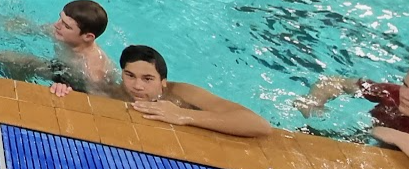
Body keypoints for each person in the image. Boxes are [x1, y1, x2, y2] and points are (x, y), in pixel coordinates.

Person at [51, 45, 271, 138]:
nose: (137, 86)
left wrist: (183, 115)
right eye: (130, 76)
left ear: (162, 82)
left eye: (148, 79)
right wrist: (63, 90)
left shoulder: (182, 94)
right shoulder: (111, 90)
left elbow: (259, 125)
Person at [296, 61, 409, 154]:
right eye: (405, 84)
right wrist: (313, 102)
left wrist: (398, 138)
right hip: (364, 143)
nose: (405, 95)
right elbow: (334, 82)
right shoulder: (392, 93)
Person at [0, 0, 114, 93]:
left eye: (66, 26)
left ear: (88, 37)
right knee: (3, 58)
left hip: (73, 85)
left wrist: (69, 93)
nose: (56, 25)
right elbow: (30, 27)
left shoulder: (94, 70)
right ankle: (24, 90)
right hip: (57, 69)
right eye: (60, 18)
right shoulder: (61, 32)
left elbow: (99, 102)